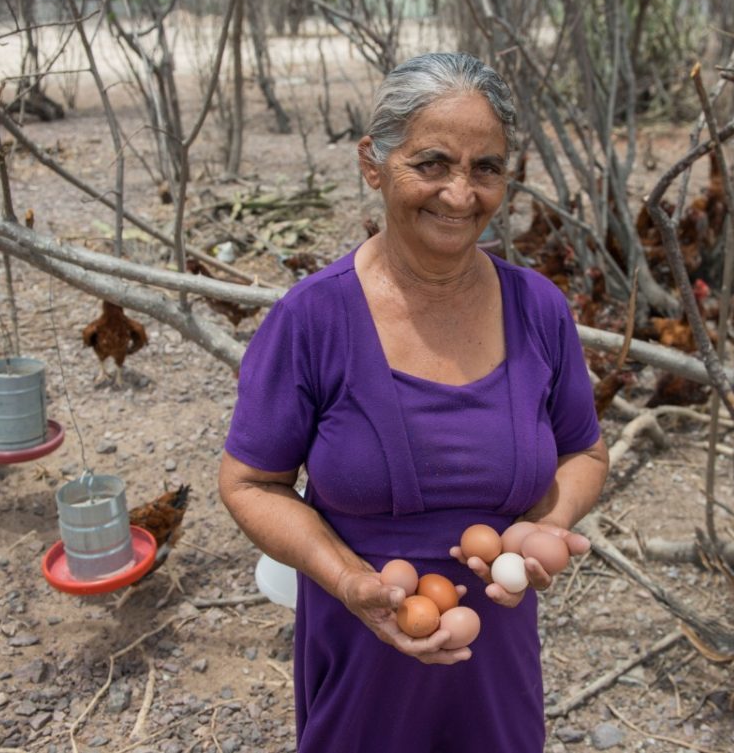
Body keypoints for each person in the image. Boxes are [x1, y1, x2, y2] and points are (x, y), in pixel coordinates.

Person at [217, 51, 609, 752]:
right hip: (363, 650)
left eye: (485, 168)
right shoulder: (314, 319)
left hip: (496, 655)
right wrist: (344, 578)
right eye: (432, 163)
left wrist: (547, 524)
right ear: (374, 163)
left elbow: (584, 449)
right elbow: (249, 481)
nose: (461, 194)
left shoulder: (538, 310)